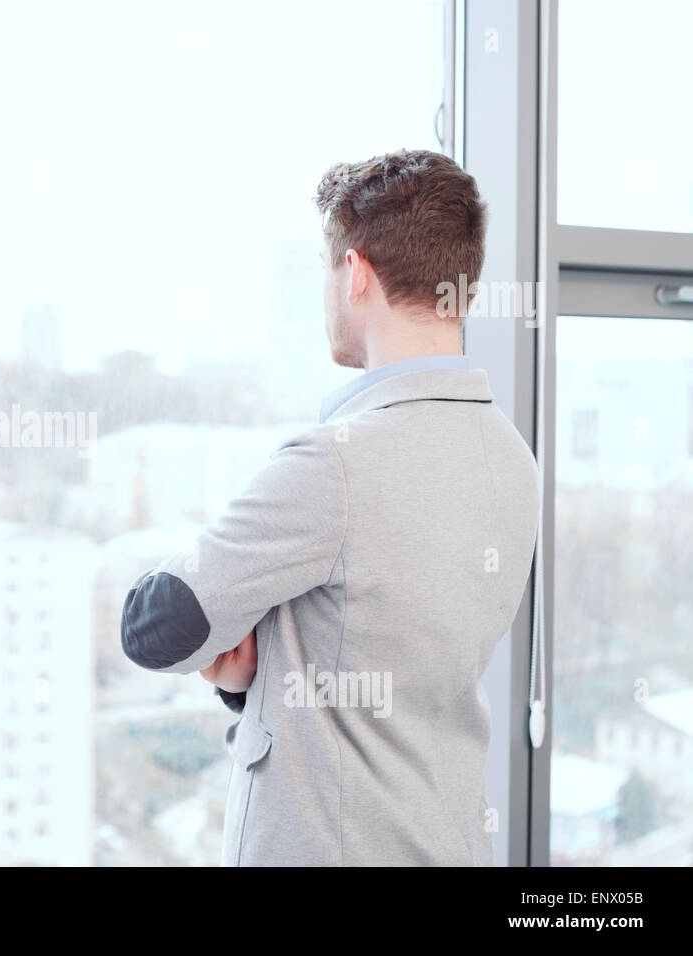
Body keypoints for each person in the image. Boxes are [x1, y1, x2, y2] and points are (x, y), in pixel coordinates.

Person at [120, 148, 539, 866]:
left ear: (357, 275)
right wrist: (259, 676)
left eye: (327, 266)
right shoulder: (512, 458)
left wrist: (231, 654)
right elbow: (391, 659)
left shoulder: (337, 463)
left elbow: (153, 626)